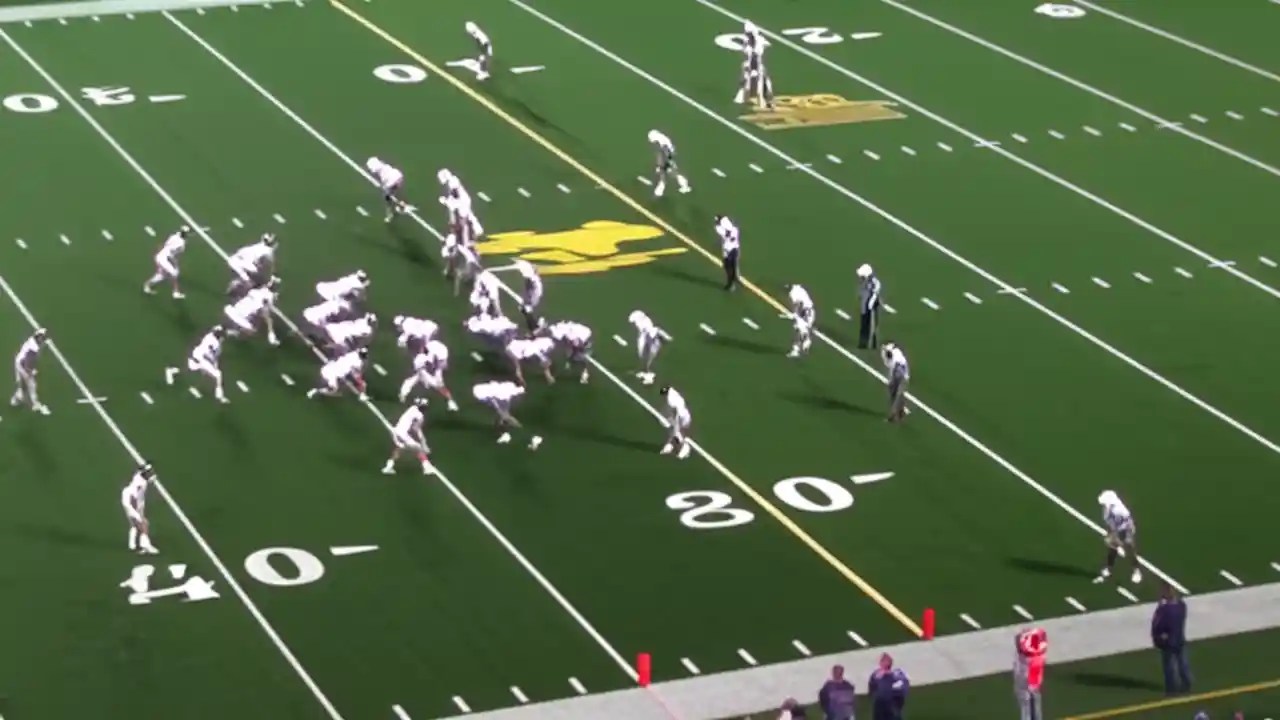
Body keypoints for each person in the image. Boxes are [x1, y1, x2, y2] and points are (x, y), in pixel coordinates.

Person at [1152, 584, 1192, 695]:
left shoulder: (1164, 610)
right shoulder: (1181, 606)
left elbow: (1158, 624)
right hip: (1180, 639)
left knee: (1169, 667)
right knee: (1183, 664)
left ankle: (1171, 688)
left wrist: (1160, 605)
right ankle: (1187, 683)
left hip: (1168, 642)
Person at [1014, 627, 1047, 720]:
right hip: (1034, 678)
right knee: (1035, 700)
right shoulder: (1040, 654)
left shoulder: (1023, 658)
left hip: (1025, 678)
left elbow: (1019, 645)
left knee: (1025, 704)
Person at [868, 653, 909, 720]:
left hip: (891, 707)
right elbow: (871, 689)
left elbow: (903, 690)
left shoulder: (897, 675)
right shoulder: (876, 675)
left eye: (883, 661)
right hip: (883, 707)